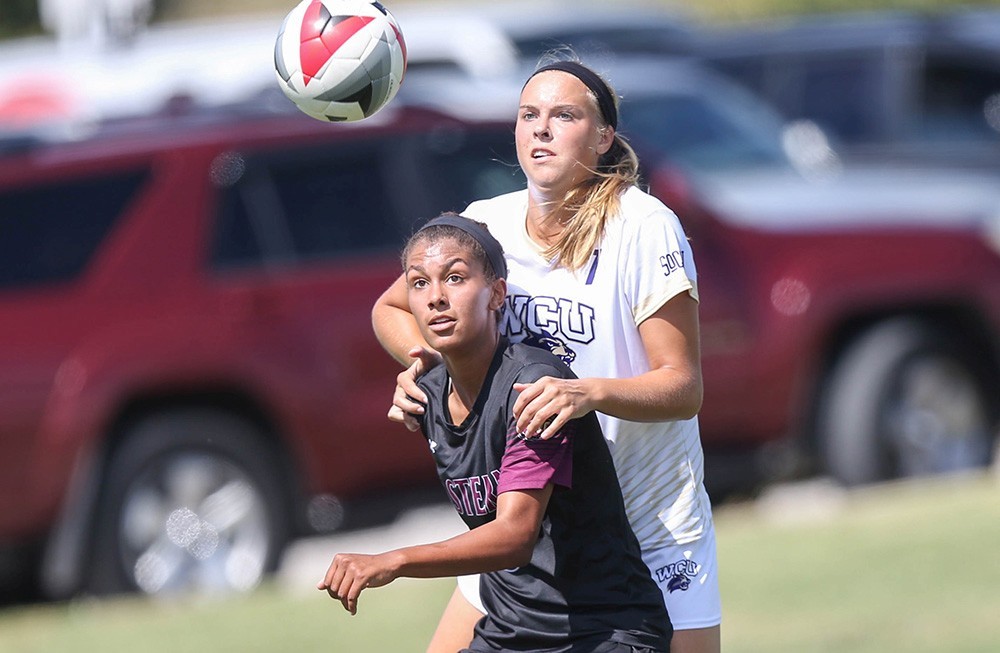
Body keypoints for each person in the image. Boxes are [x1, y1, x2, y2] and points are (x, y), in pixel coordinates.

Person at [372, 57, 722, 653]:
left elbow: (683, 388)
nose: (541, 128)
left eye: (564, 115)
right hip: (539, 523)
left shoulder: (643, 226)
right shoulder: (486, 224)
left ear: (604, 136)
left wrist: (587, 392)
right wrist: (421, 364)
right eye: (528, 114)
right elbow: (392, 308)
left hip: (652, 524)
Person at [320, 214, 673, 653]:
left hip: (601, 629)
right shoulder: (426, 394)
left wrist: (394, 559)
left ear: (496, 294)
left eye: (455, 278)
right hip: (511, 631)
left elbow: (514, 536)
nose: (436, 299)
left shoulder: (534, 386)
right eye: (419, 284)